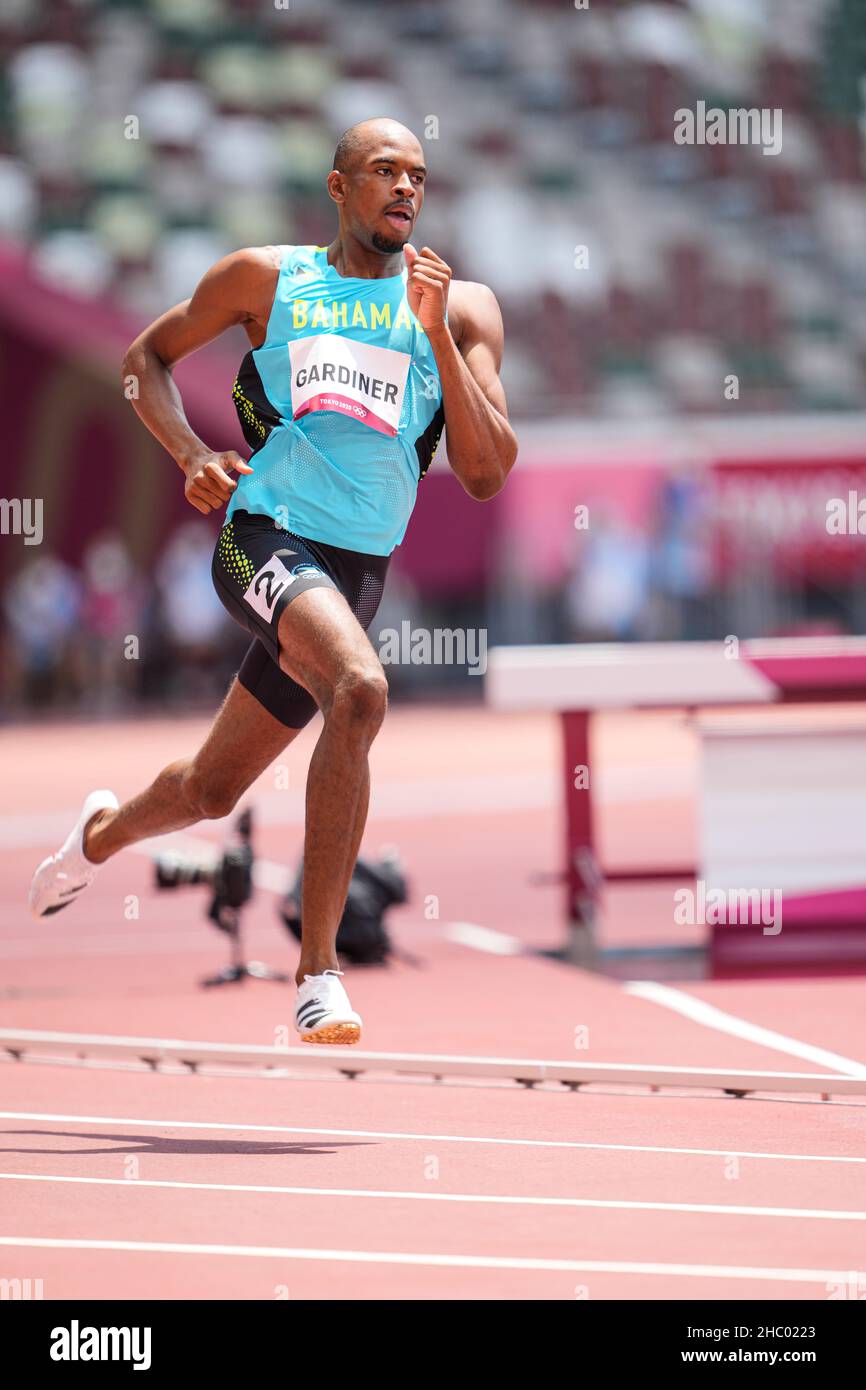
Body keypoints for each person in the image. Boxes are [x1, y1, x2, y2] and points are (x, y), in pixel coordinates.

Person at [29, 117, 518, 1044]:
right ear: (338, 188)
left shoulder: (463, 309)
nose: (406, 188)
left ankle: (95, 837)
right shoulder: (268, 279)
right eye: (384, 171)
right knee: (361, 689)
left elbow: (488, 471)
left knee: (212, 793)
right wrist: (186, 454)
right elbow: (144, 362)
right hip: (264, 540)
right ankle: (319, 974)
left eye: (418, 175)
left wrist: (438, 345)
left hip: (357, 575)